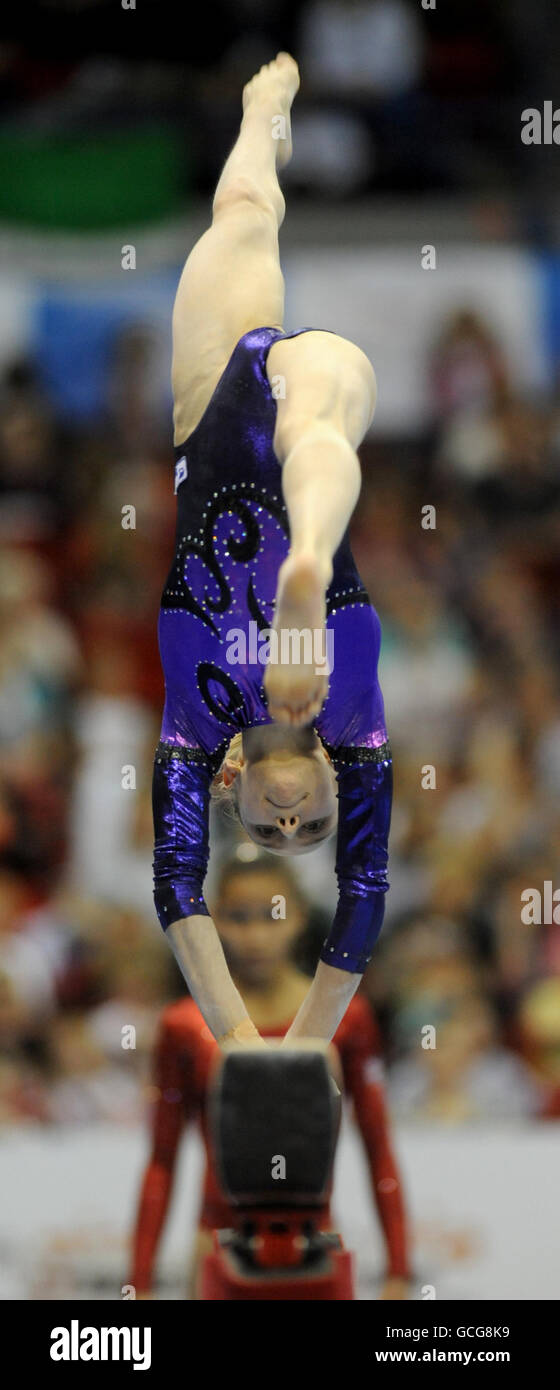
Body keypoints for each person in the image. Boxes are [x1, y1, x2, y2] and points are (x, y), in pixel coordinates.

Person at [153, 52, 392, 1047]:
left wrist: (239, 1042)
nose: (287, 822)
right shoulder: (353, 721)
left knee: (245, 209)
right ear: (339, 781)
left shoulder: (193, 721)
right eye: (308, 826)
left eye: (265, 827)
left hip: (207, 413)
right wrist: (305, 1044)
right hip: (306, 439)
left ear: (228, 785)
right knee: (317, 442)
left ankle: (263, 113)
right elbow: (365, 892)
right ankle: (309, 562)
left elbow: (175, 889)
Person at [130, 853, 410, 1299]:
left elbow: (379, 1148)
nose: (256, 935)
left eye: (272, 915)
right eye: (239, 918)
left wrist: (399, 1271)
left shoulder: (347, 1017)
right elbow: (162, 1159)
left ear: (299, 916)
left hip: (315, 1246)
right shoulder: (183, 1025)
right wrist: (139, 1283)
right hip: (217, 1246)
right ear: (213, 920)